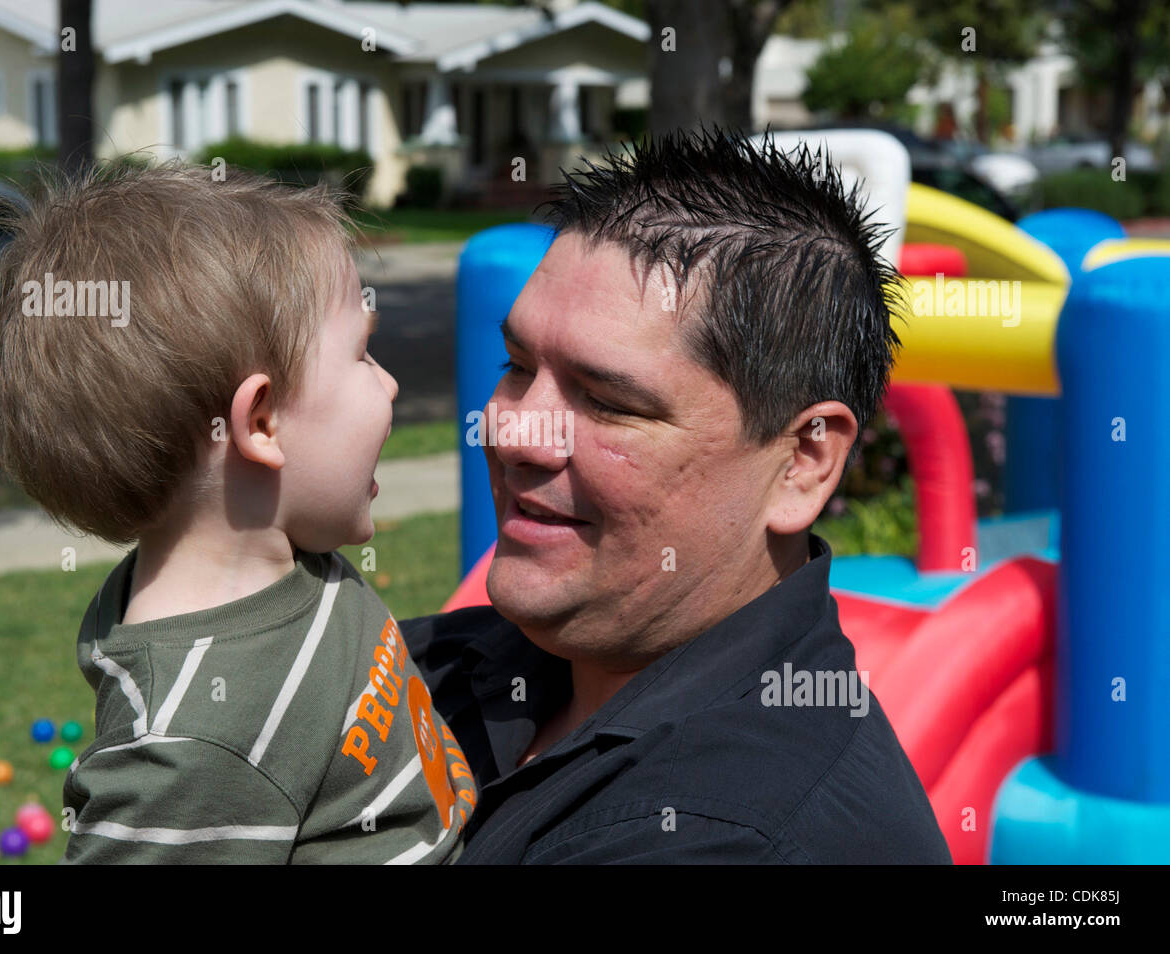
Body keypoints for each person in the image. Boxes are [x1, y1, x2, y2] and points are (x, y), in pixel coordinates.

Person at [402, 126, 953, 863]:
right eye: (517, 364)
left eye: (608, 402)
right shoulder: (433, 669)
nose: (511, 432)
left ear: (804, 462)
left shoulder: (733, 837)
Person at [0, 163, 476, 863]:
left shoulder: (288, 558)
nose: (391, 383)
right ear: (262, 421)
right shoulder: (191, 746)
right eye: (363, 354)